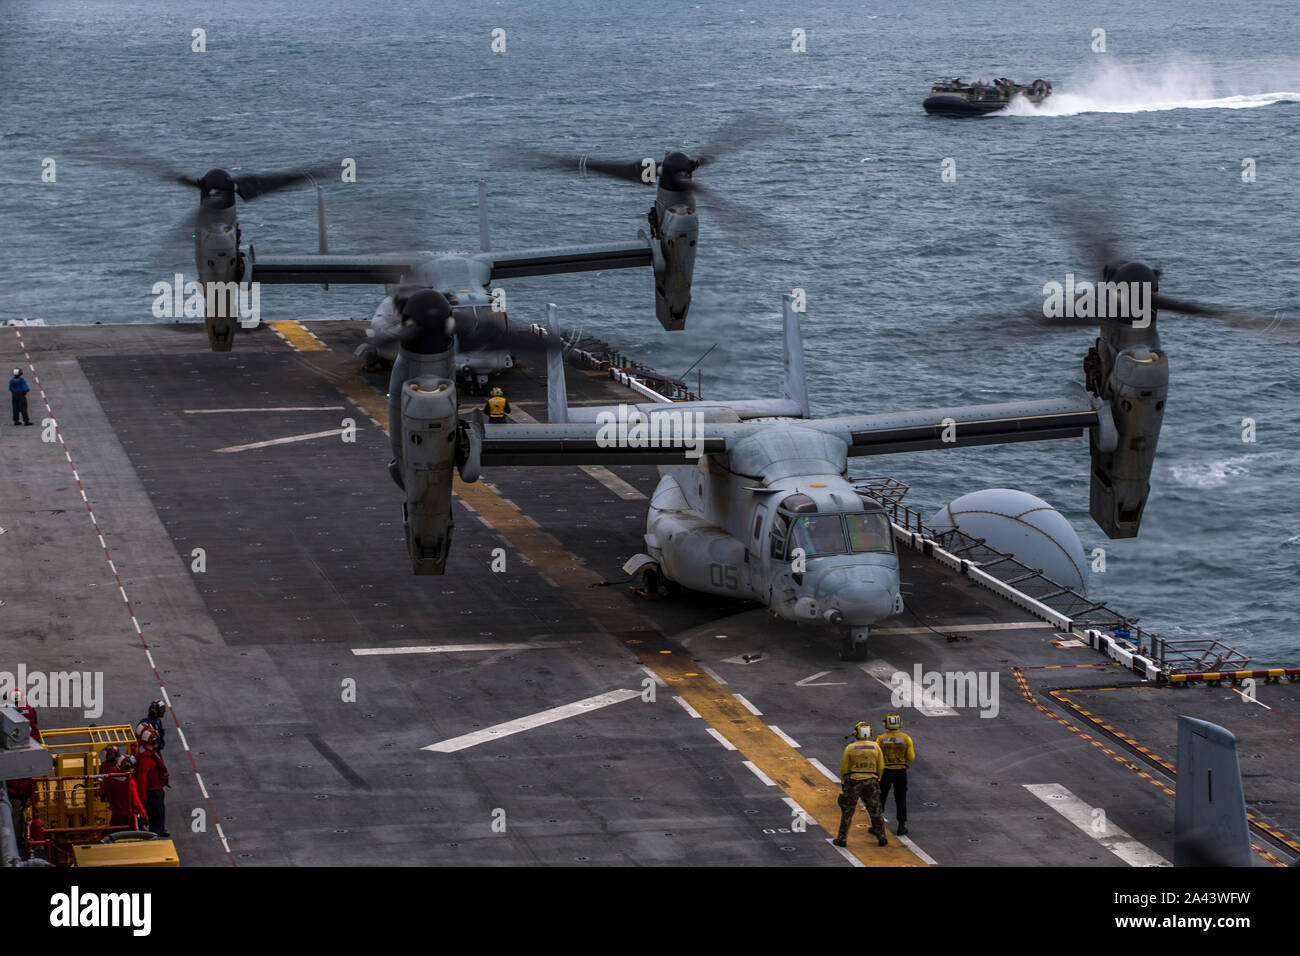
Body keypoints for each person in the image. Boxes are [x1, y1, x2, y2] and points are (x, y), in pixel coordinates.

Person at [834, 721, 887, 848]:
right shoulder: (875, 747)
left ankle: (842, 839)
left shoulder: (850, 748)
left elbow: (844, 768)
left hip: (854, 781)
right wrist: (877, 779)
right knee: (875, 811)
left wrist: (844, 782)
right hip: (871, 780)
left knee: (848, 811)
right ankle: (882, 837)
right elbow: (881, 766)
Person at [4, 689, 41, 855]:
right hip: (30, 772)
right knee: (33, 806)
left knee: (15, 813)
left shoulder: (9, 713)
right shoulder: (30, 710)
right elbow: (36, 729)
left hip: (15, 785)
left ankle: (18, 842)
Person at [876, 712, 916, 835]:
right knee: (901, 798)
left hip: (885, 771)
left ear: (885, 725)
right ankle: (901, 826)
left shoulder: (880, 739)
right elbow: (911, 757)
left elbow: (876, 756)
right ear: (900, 724)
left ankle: (877, 825)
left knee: (881, 798)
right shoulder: (906, 738)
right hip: (900, 772)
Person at [135, 727, 170, 838]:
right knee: (156, 814)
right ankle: (156, 834)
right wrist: (143, 797)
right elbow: (142, 778)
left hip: (156, 789)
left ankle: (159, 829)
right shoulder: (147, 758)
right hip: (152, 791)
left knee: (159, 813)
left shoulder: (149, 753)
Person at [99, 754, 147, 830]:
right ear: (128, 768)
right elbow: (136, 801)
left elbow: (101, 793)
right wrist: (143, 814)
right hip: (128, 817)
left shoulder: (109, 779)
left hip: (115, 816)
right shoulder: (130, 783)